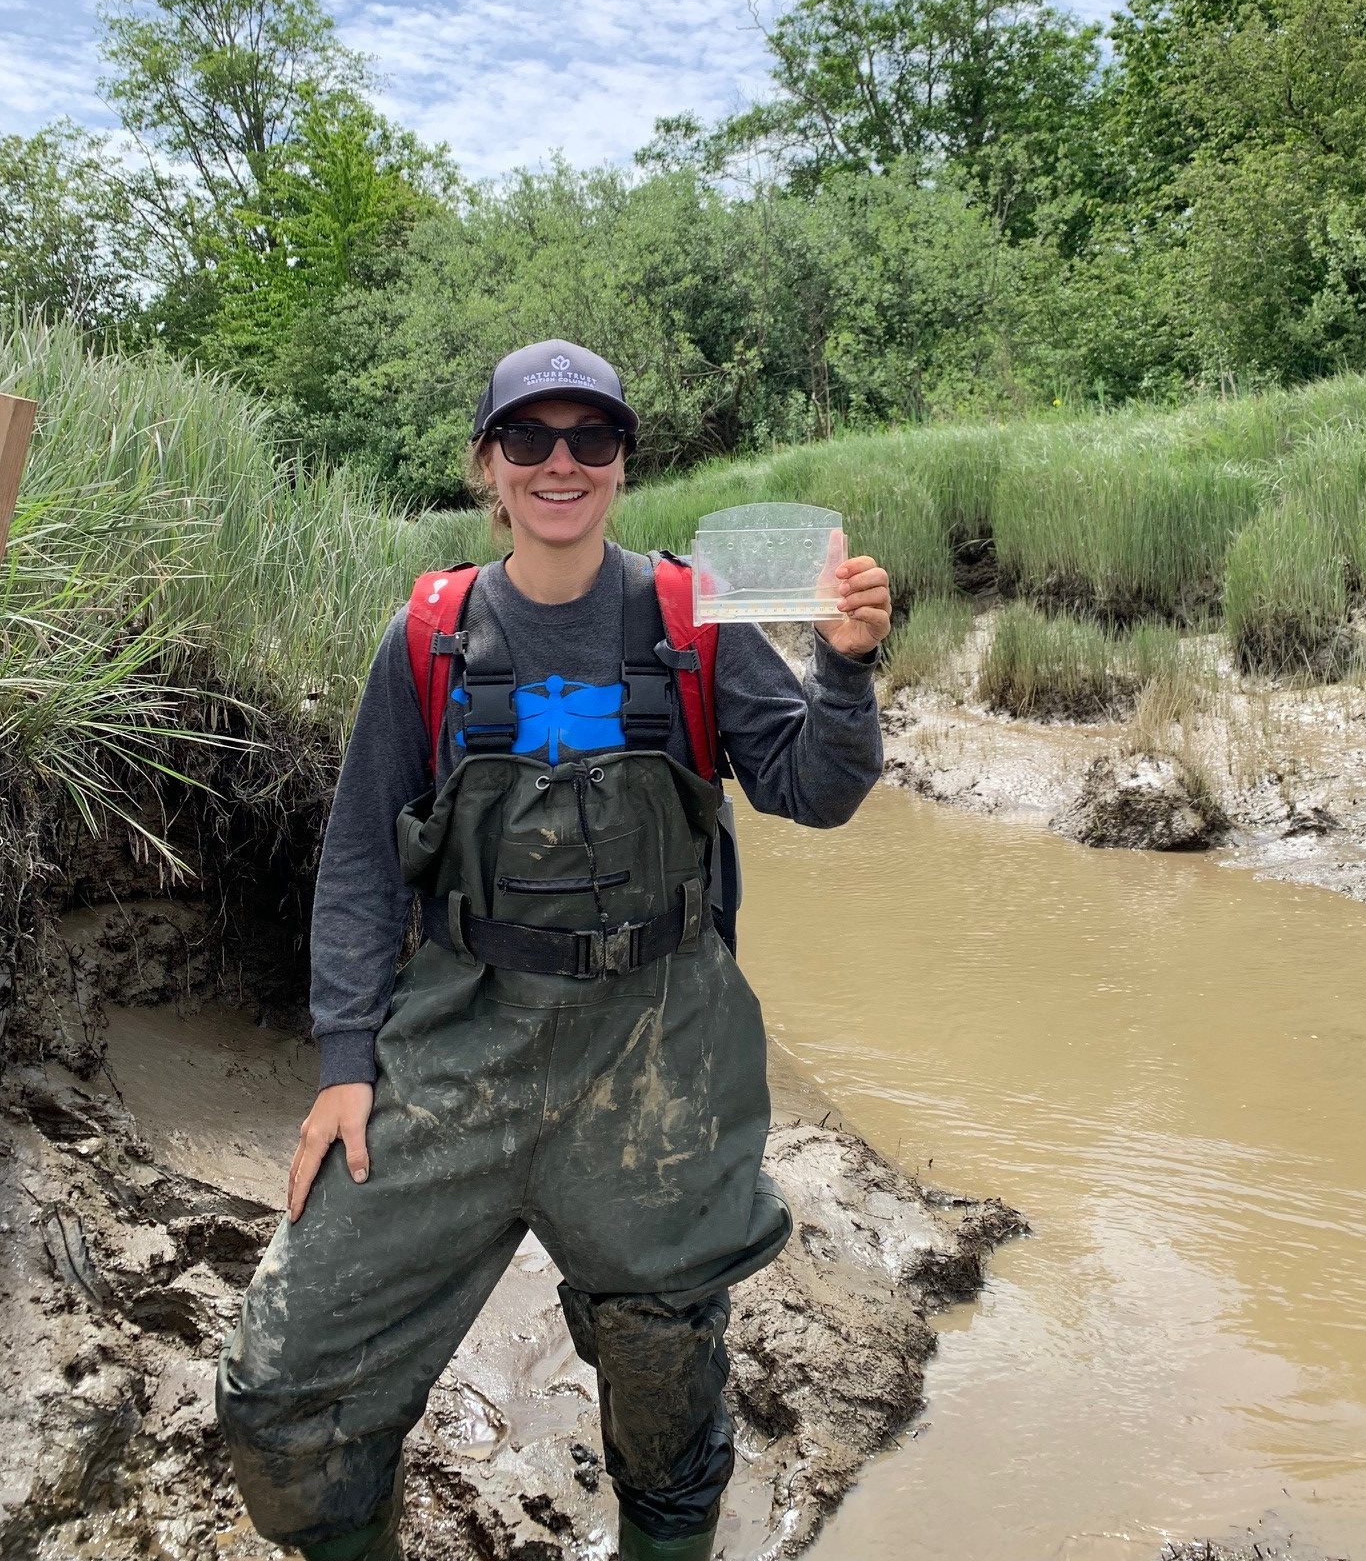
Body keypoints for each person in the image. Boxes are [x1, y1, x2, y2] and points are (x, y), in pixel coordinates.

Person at [217, 338, 892, 1561]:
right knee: (281, 1395)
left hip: (657, 1064)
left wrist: (845, 671)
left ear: (624, 463)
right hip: (459, 1049)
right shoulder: (426, 637)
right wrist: (345, 1062)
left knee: (669, 1405)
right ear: (489, 466)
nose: (560, 463)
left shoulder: (692, 615)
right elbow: (364, 862)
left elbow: (814, 787)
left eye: (591, 438)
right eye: (529, 439)